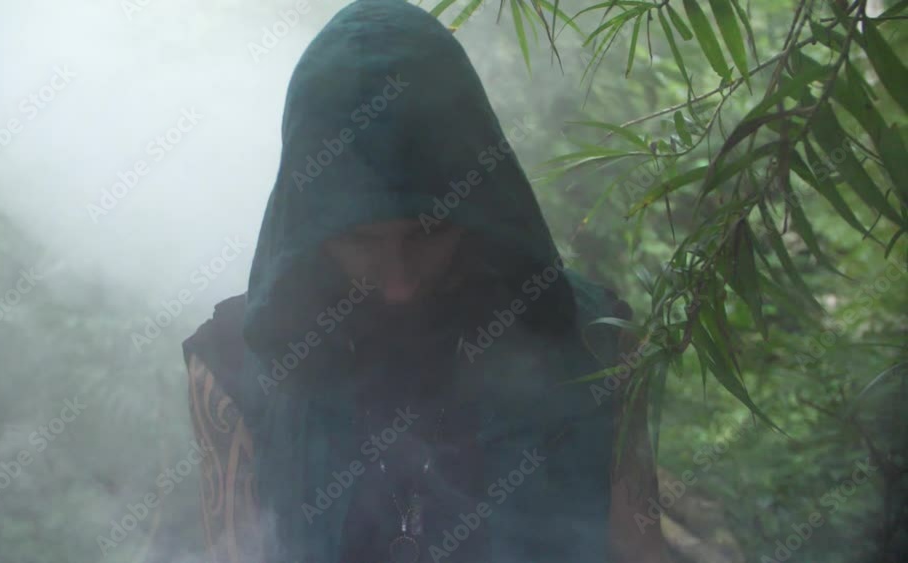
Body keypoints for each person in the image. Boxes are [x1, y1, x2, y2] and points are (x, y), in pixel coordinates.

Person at [182, 1, 663, 561]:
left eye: (428, 234)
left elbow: (639, 552)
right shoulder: (235, 368)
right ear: (311, 230)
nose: (399, 282)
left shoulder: (598, 348)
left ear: (477, 208)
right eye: (361, 242)